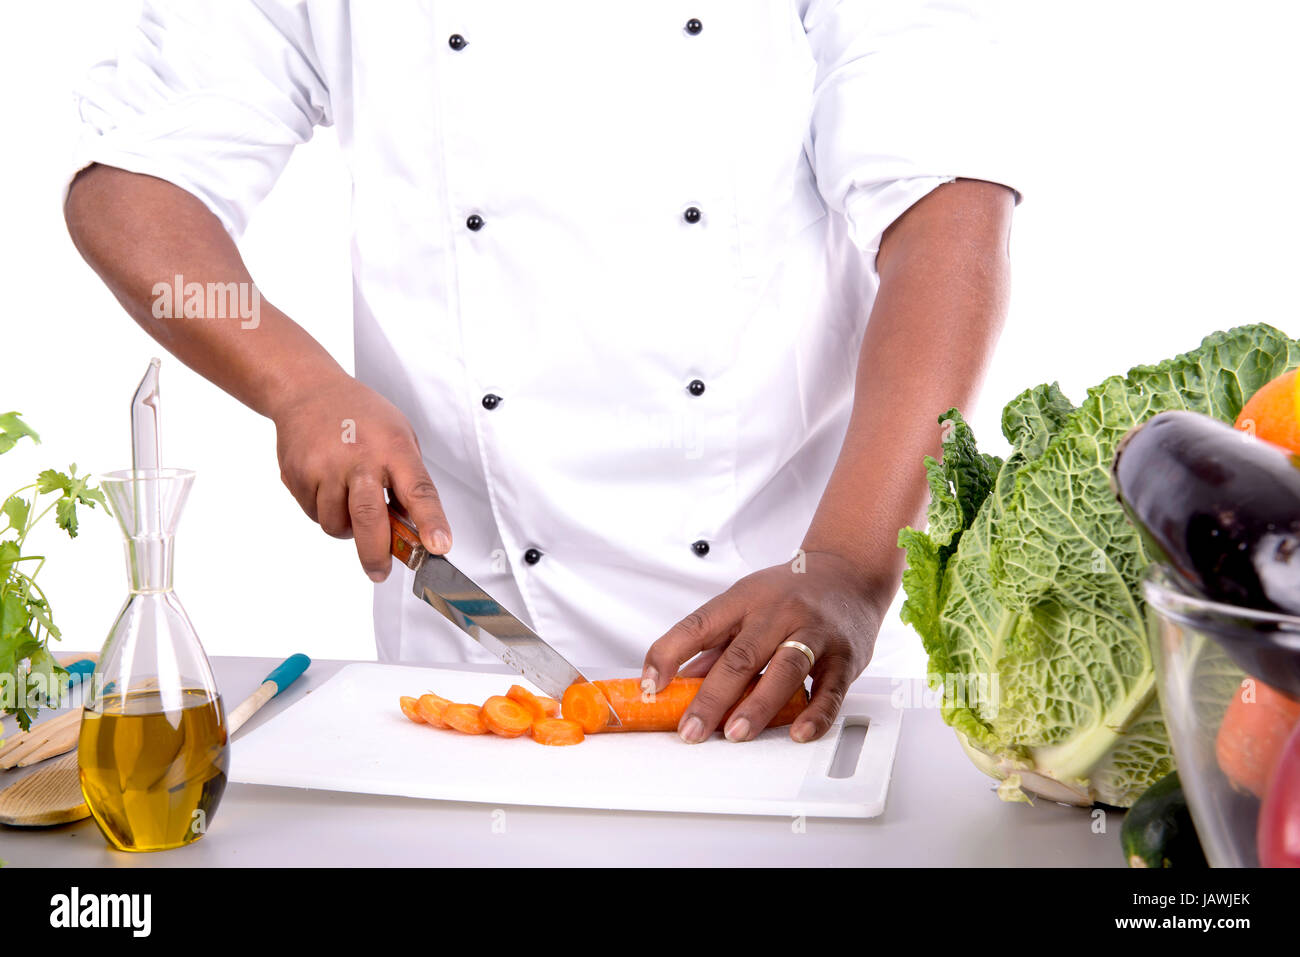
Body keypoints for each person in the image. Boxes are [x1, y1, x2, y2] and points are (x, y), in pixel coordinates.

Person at [64, 1, 1017, 744]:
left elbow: (947, 209)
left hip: (783, 673)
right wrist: (295, 383)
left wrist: (847, 561)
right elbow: (135, 187)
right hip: (475, 689)